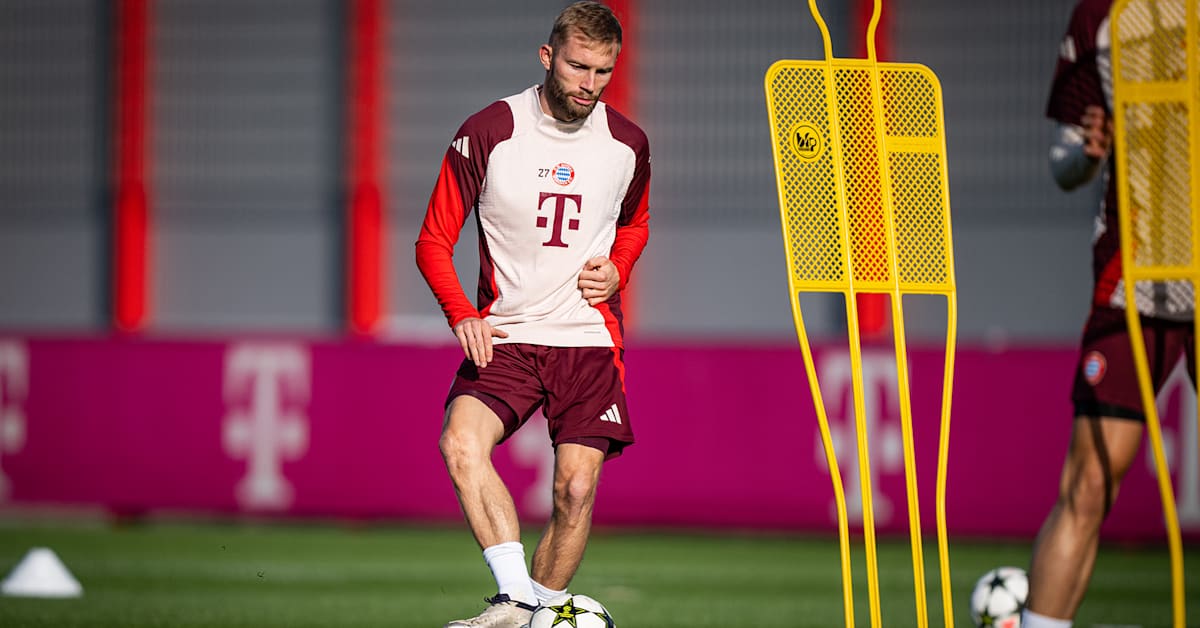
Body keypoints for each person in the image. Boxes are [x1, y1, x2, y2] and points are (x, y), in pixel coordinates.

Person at [414, 2, 650, 626]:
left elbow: (635, 223)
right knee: (460, 444)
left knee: (575, 488)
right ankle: (518, 599)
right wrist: (462, 313)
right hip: (507, 333)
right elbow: (433, 240)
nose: (589, 84)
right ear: (547, 57)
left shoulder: (628, 144)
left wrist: (620, 267)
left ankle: (523, 614)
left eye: (603, 71)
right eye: (577, 67)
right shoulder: (490, 131)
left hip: (588, 337)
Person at [1023, 1, 1194, 626]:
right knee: (1088, 482)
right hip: (1135, 279)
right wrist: (1086, 154)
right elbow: (1067, 160)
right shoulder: (1101, 14)